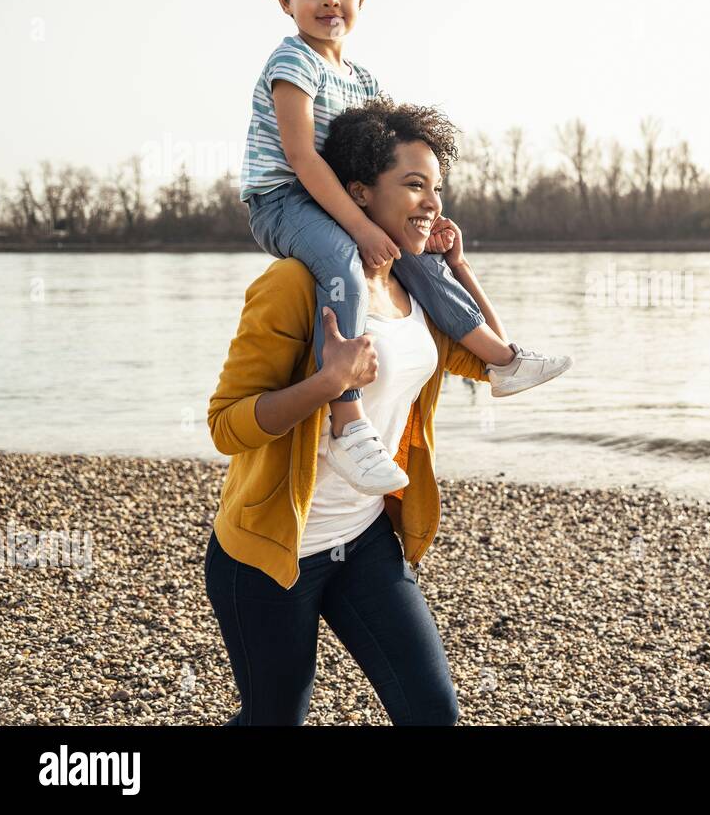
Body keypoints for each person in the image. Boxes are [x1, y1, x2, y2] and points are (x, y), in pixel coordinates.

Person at [241, 0, 570, 497]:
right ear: (285, 1)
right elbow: (302, 157)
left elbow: (384, 154)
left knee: (417, 259)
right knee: (346, 260)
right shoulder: (292, 61)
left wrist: (422, 228)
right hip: (286, 200)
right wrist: (362, 229)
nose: (329, 0)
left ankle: (502, 361)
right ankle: (346, 422)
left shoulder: (364, 81)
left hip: (342, 200)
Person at [205, 99, 509, 725]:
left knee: (433, 713)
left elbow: (499, 362)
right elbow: (226, 424)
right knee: (272, 719)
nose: (432, 202)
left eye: (438, 188)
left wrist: (458, 269)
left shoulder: (417, 287)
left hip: (365, 538)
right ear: (360, 193)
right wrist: (327, 383)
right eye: (414, 185)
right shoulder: (295, 284)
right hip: (272, 553)